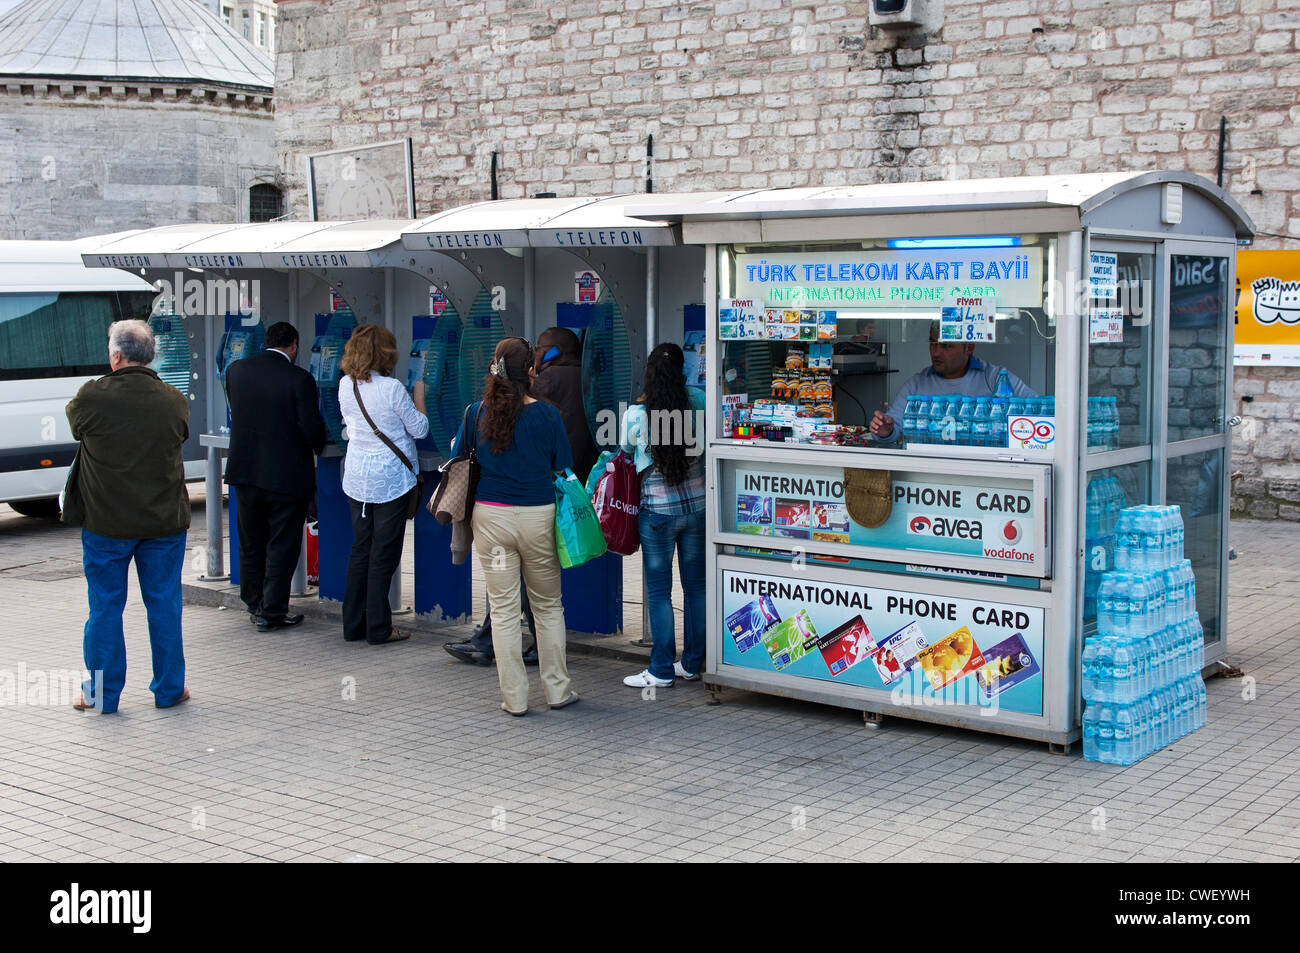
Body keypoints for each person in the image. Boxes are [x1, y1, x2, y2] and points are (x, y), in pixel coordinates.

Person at [443, 326, 597, 667]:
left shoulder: (483, 410)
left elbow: (459, 454)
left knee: (503, 600)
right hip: (539, 512)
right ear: (526, 368)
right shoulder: (566, 396)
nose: (540, 358)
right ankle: (554, 683)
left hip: (492, 516)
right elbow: (562, 463)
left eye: (543, 349)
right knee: (544, 602)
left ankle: (511, 689)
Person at [67, 320, 190, 713]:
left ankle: (102, 695)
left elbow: (75, 427)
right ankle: (170, 691)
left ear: (116, 355)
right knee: (164, 604)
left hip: (107, 524)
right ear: (150, 355)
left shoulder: (93, 396)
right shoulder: (173, 399)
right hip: (163, 523)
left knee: (105, 606)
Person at [224, 321, 328, 632]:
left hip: (245, 472)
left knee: (251, 541)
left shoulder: (237, 371)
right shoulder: (300, 379)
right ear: (294, 345)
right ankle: (272, 611)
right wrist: (323, 442)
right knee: (282, 545)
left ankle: (253, 602)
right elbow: (310, 429)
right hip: (285, 476)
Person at [620, 342, 707, 689]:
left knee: (659, 592)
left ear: (649, 373)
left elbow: (625, 451)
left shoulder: (636, 415)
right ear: (683, 371)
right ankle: (693, 663)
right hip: (698, 510)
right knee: (696, 589)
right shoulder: (698, 401)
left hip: (657, 513)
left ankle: (660, 670)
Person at [337, 324, 429, 645]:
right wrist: (419, 396)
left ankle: (352, 626)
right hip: (391, 481)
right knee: (384, 555)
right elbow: (418, 429)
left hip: (357, 479)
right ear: (385, 354)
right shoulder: (391, 389)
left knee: (361, 550)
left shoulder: (344, 385)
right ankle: (378, 628)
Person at [869, 324, 1035, 442]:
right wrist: (885, 431)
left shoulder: (996, 378)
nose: (936, 352)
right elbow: (894, 427)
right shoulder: (917, 384)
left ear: (969, 348)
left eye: (946, 345)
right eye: (933, 344)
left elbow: (1036, 411)